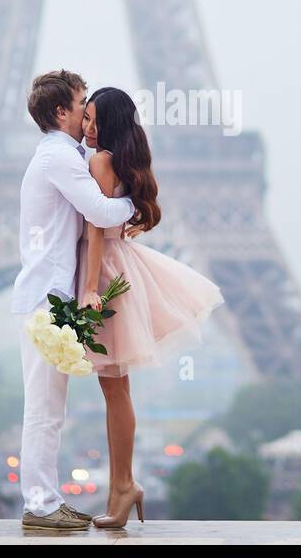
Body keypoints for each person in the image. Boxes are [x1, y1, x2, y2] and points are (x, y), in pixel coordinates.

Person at [76, 86, 225, 528]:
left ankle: (122, 486)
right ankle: (121, 487)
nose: (87, 128)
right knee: (115, 389)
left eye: (94, 121)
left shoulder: (100, 161)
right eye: (84, 118)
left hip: (104, 274)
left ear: (112, 125)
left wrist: (88, 290)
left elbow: (98, 229)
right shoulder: (119, 161)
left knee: (114, 389)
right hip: (122, 269)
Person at [12, 70, 134, 532]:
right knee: (44, 410)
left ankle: (46, 499)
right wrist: (135, 207)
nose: (87, 109)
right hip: (46, 300)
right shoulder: (58, 159)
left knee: (50, 410)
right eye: (82, 101)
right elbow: (100, 211)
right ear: (61, 111)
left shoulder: (66, 155)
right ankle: (40, 505)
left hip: (50, 297)